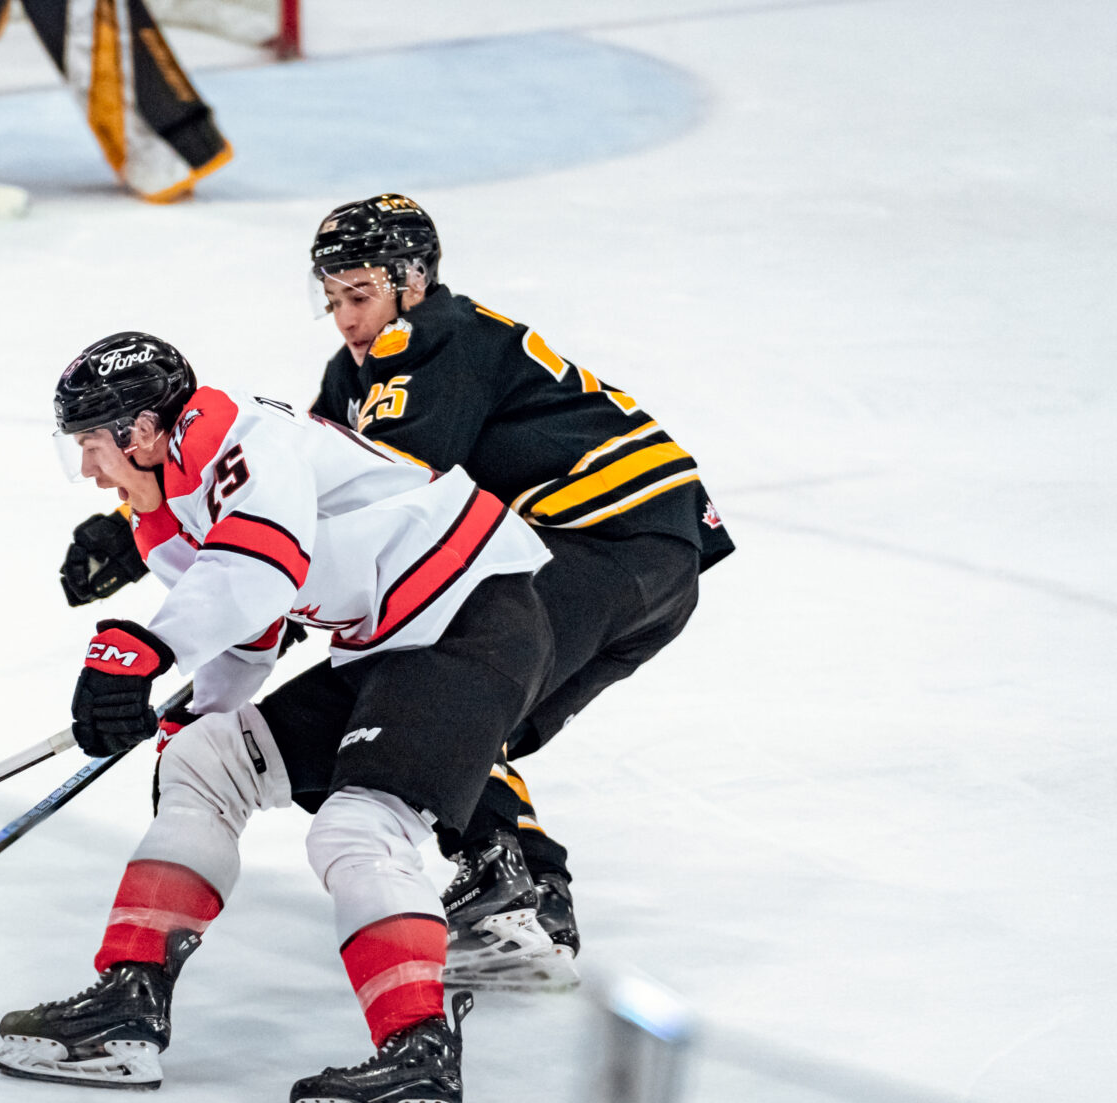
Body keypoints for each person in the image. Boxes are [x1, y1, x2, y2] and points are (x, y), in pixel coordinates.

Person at [58, 194, 736, 991]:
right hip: (629, 553)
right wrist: (151, 524)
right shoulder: (353, 376)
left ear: (415, 282)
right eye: (334, 297)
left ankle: (514, 889)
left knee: (440, 679)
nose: (346, 316)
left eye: (362, 293)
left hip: (610, 532)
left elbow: (343, 520)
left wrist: (172, 572)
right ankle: (521, 895)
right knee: (463, 711)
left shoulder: (436, 341)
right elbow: (302, 513)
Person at [0, 331, 554, 1103]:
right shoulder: (170, 513)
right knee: (204, 760)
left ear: (142, 432)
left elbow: (261, 570)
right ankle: (129, 1001)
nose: (87, 469)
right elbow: (248, 631)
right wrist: (184, 713)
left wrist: (140, 653)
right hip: (392, 643)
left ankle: (418, 1057)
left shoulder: (246, 437)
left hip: (473, 619)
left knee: (358, 826)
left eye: (91, 445)